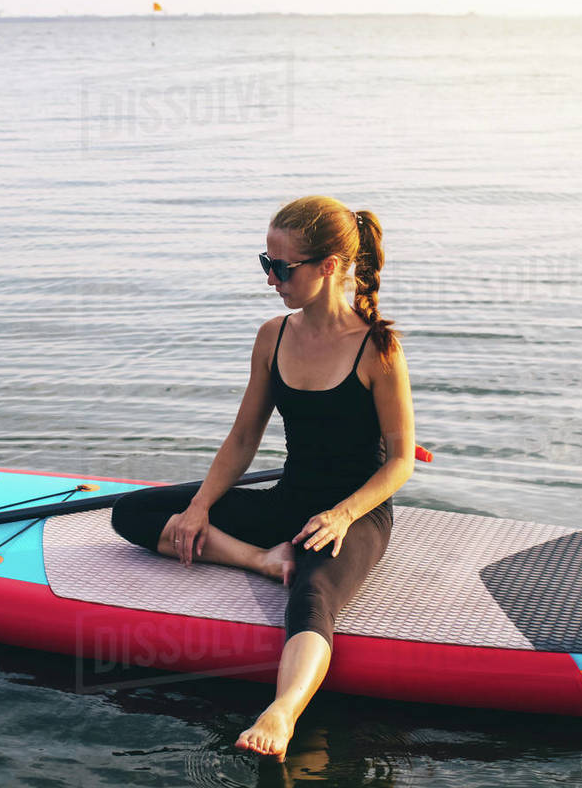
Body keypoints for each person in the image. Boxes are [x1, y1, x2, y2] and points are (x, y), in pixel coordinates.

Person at [110, 195, 416, 760]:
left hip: (354, 515)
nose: (271, 278)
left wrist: (343, 513)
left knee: (314, 590)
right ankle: (261, 559)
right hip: (290, 500)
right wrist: (200, 505)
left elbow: (399, 461)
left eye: (282, 267)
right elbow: (244, 439)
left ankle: (282, 711)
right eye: (265, 263)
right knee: (133, 510)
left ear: (327, 267)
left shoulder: (378, 349)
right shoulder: (273, 336)